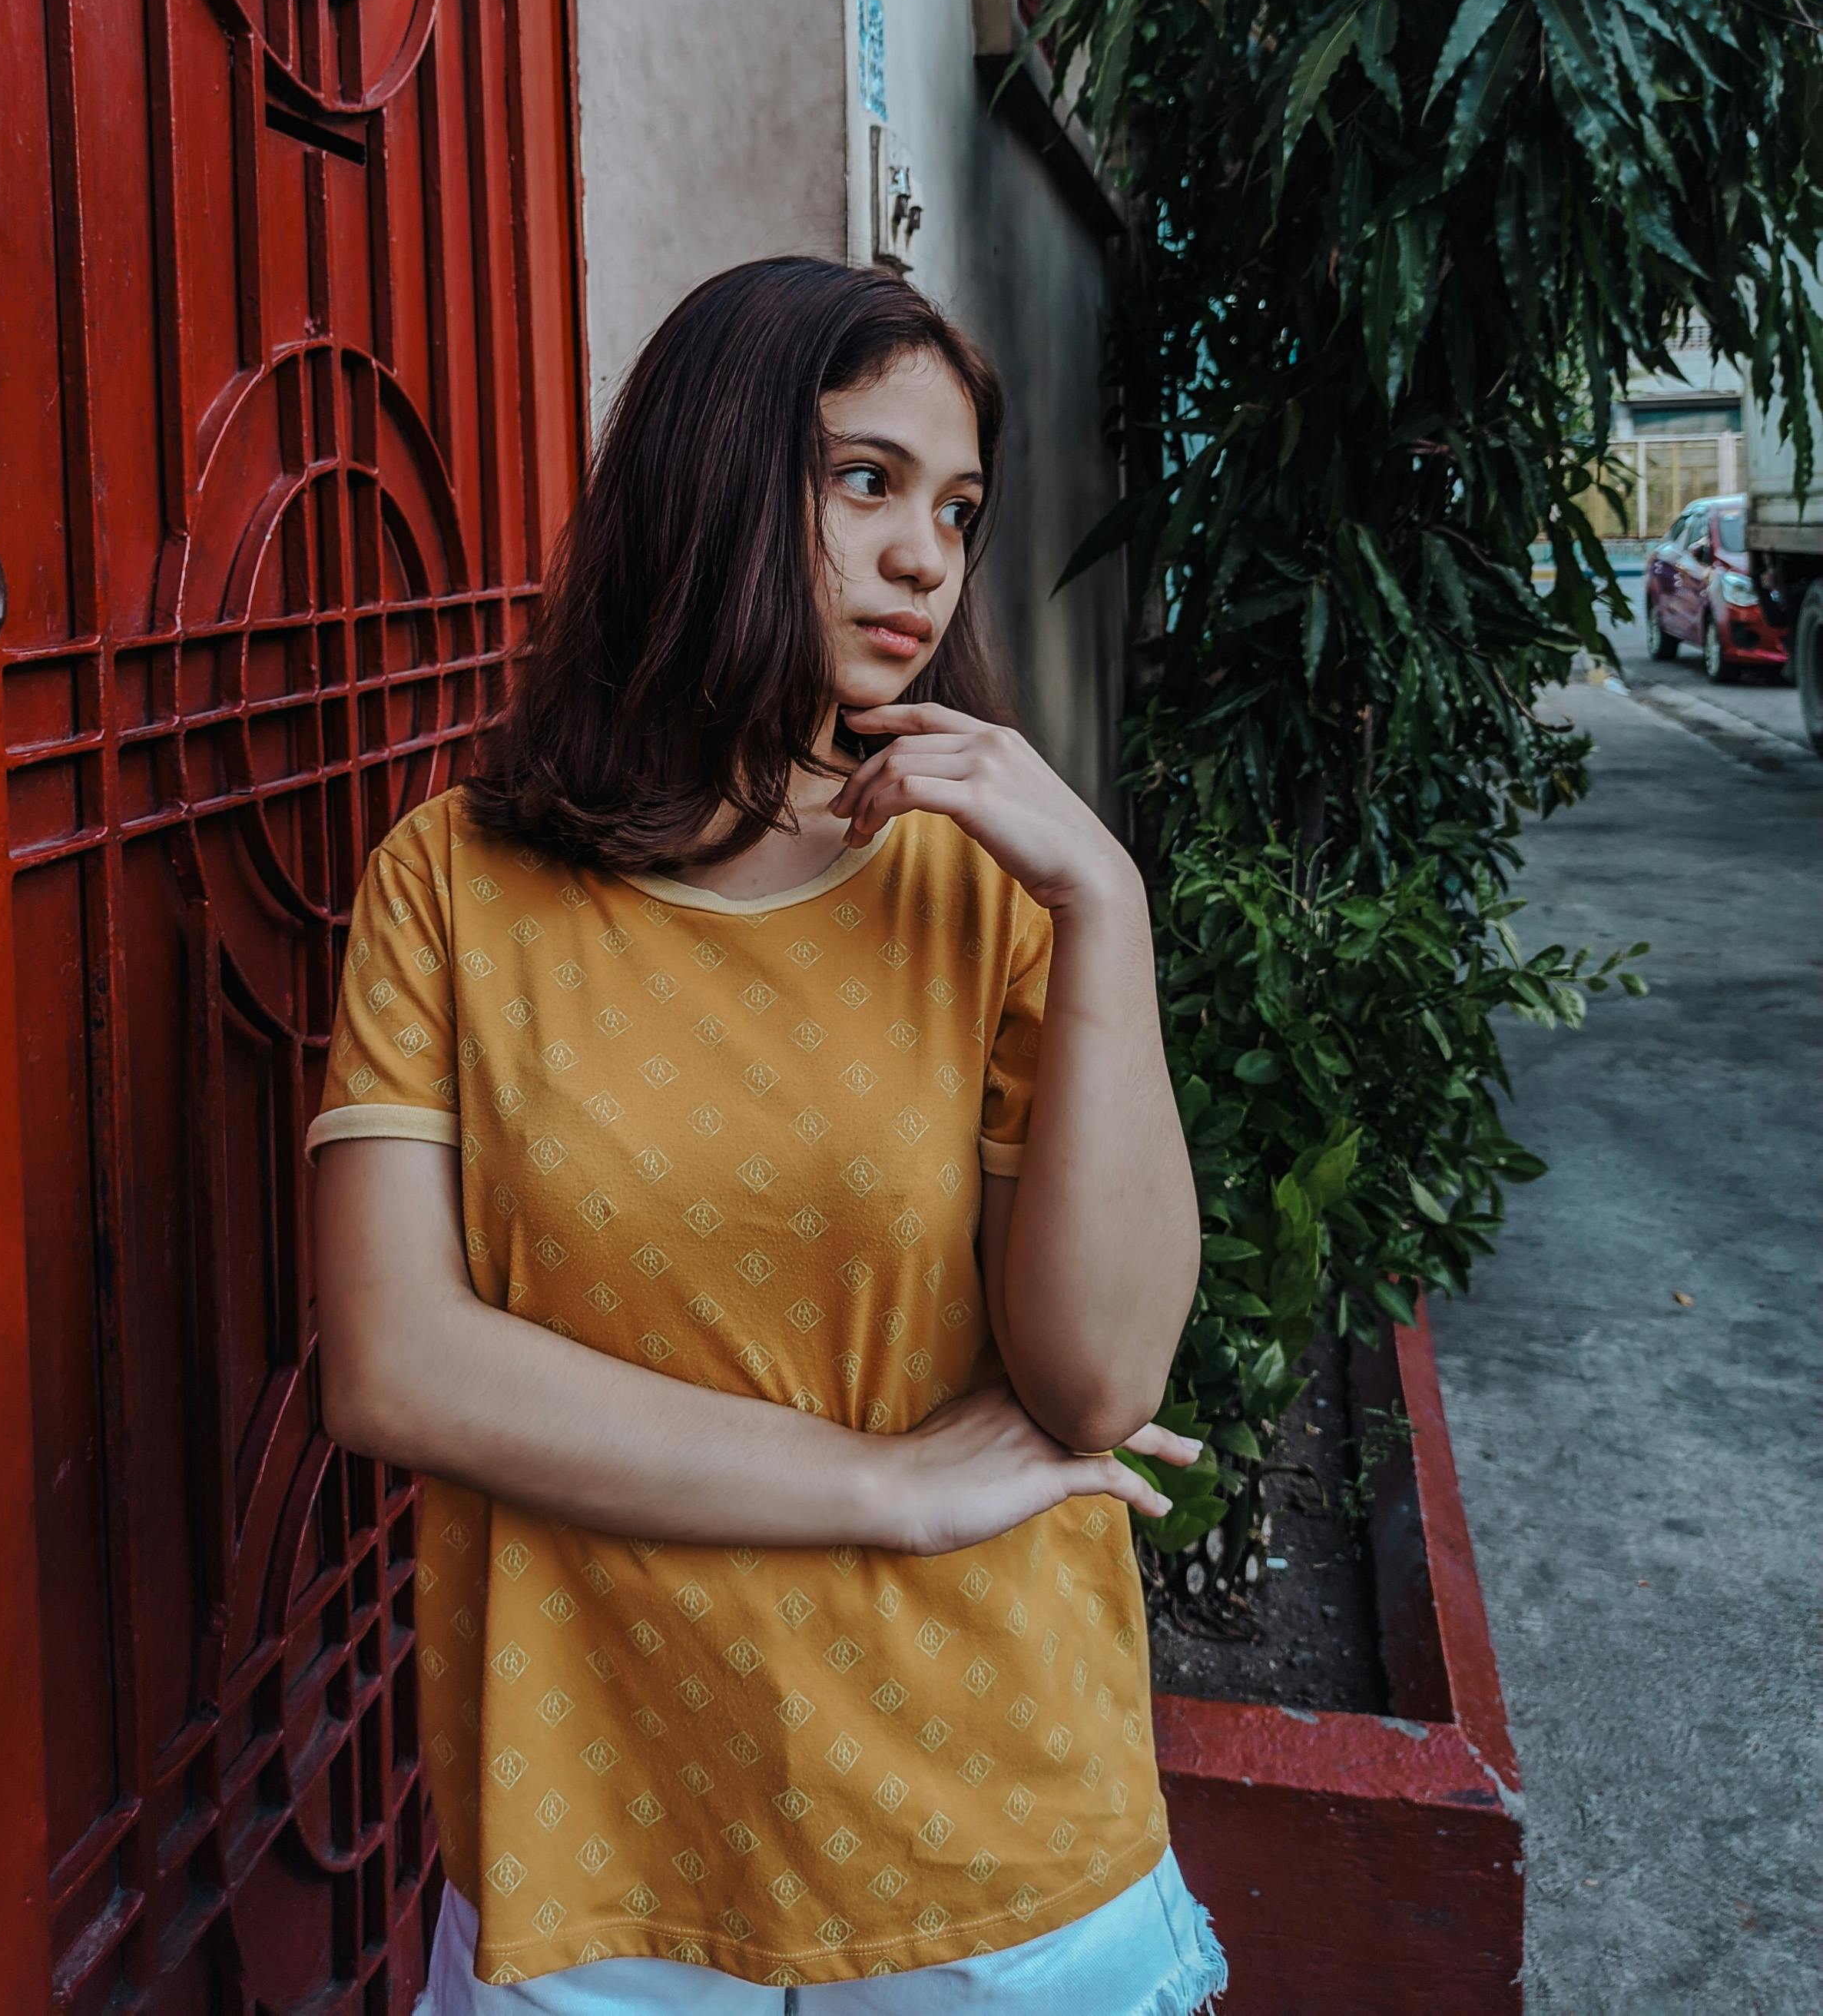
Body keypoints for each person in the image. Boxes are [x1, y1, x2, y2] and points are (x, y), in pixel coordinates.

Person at [311, 257, 1225, 2013]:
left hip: (987, 1827)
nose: (923, 557)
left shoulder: (990, 888)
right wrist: (878, 1484)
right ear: (713, 477)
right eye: (862, 479)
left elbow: (1098, 1381)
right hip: (605, 1831)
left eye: (955, 507)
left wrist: (1107, 906)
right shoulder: (457, 881)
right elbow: (397, 1364)